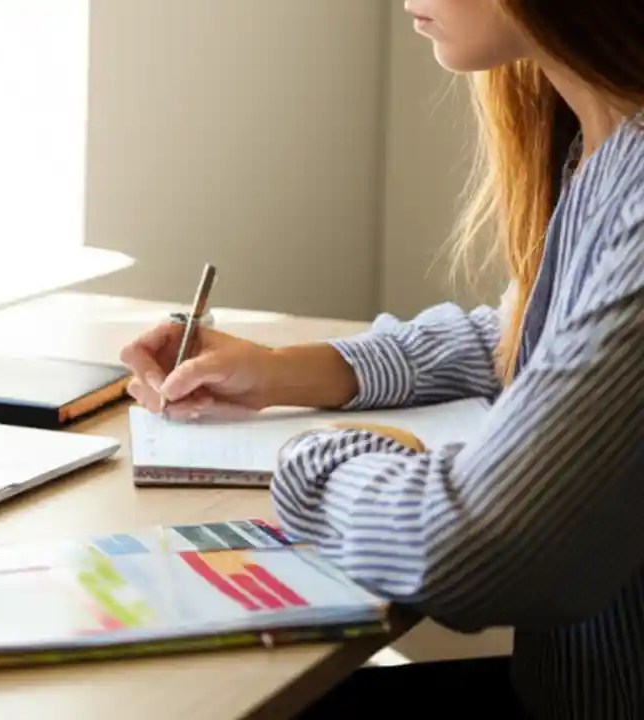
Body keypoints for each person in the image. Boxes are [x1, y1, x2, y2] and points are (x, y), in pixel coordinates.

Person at [119, 1, 643, 717]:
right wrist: (286, 369)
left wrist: (314, 458)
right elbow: (534, 337)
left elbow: (486, 550)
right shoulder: (602, 142)